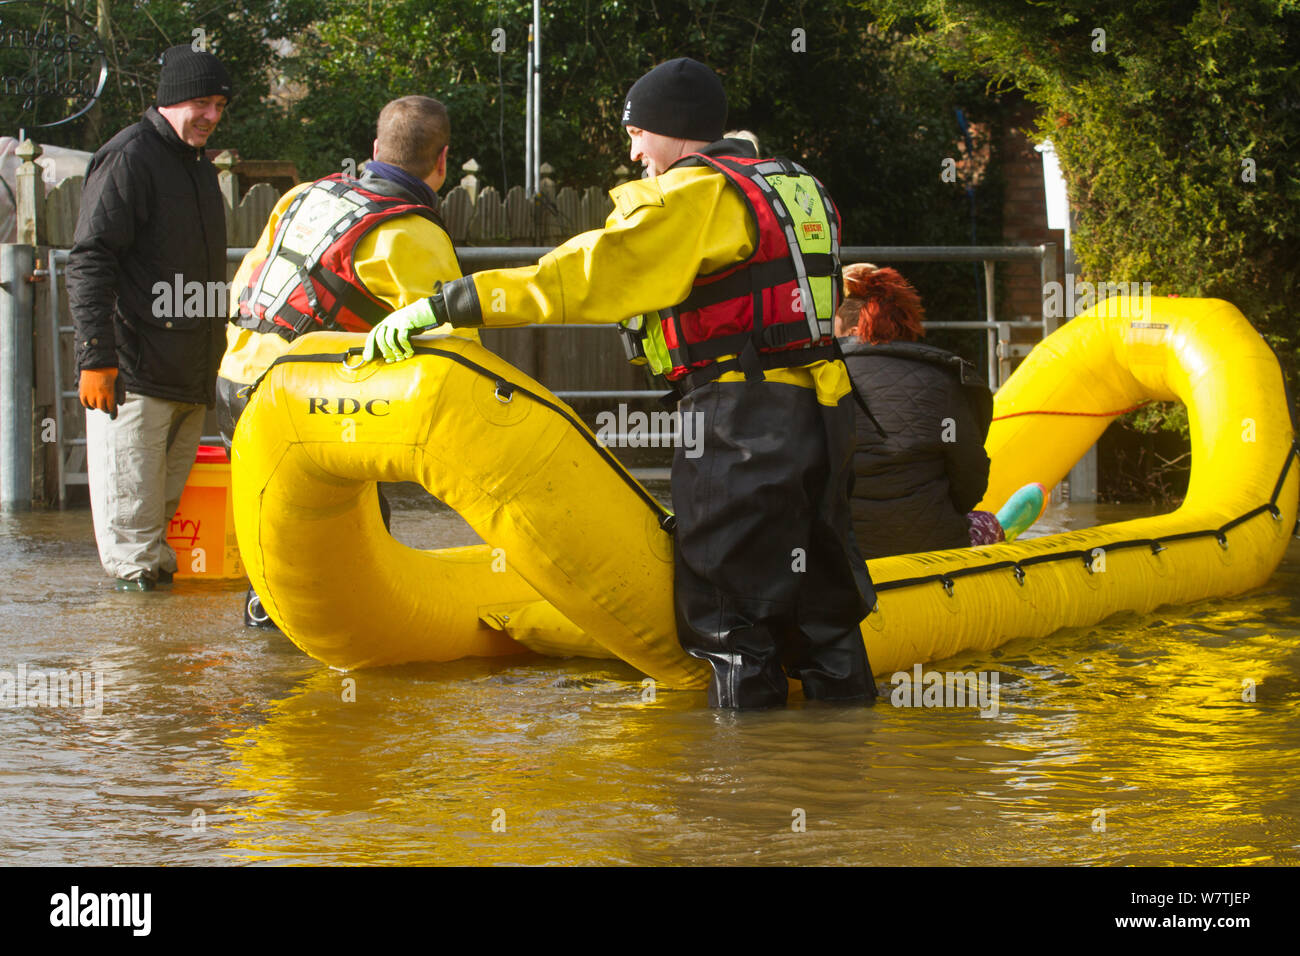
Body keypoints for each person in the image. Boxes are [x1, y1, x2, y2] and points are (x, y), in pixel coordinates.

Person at [364, 58, 877, 709]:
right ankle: (854, 780)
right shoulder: (796, 184)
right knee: (827, 615)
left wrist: (446, 305)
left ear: (676, 129)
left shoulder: (693, 197)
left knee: (730, 623)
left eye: (638, 133)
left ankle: (746, 796)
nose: (632, 150)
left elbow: (580, 278)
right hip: (826, 414)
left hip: (742, 421)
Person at [219, 94, 476, 627]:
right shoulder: (415, 234)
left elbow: (247, 285)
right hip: (307, 403)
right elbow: (461, 358)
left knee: (276, 540)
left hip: (235, 383)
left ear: (375, 149)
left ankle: (268, 637)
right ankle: (344, 666)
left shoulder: (302, 195)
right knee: (353, 542)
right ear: (443, 161)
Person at [70, 44, 231, 591]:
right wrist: (96, 355)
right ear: (169, 101)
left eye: (219, 105)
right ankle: (133, 670)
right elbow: (90, 257)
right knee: (133, 548)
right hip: (132, 379)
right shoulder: (129, 157)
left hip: (187, 379)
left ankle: (160, 668)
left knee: (158, 534)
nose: (211, 115)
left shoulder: (199, 169)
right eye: (200, 103)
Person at [835, 263, 1046, 560]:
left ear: (854, 329)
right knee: (981, 521)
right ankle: (999, 529)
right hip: (929, 543)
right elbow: (970, 479)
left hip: (839, 548)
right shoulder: (943, 381)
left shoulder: (818, 380)